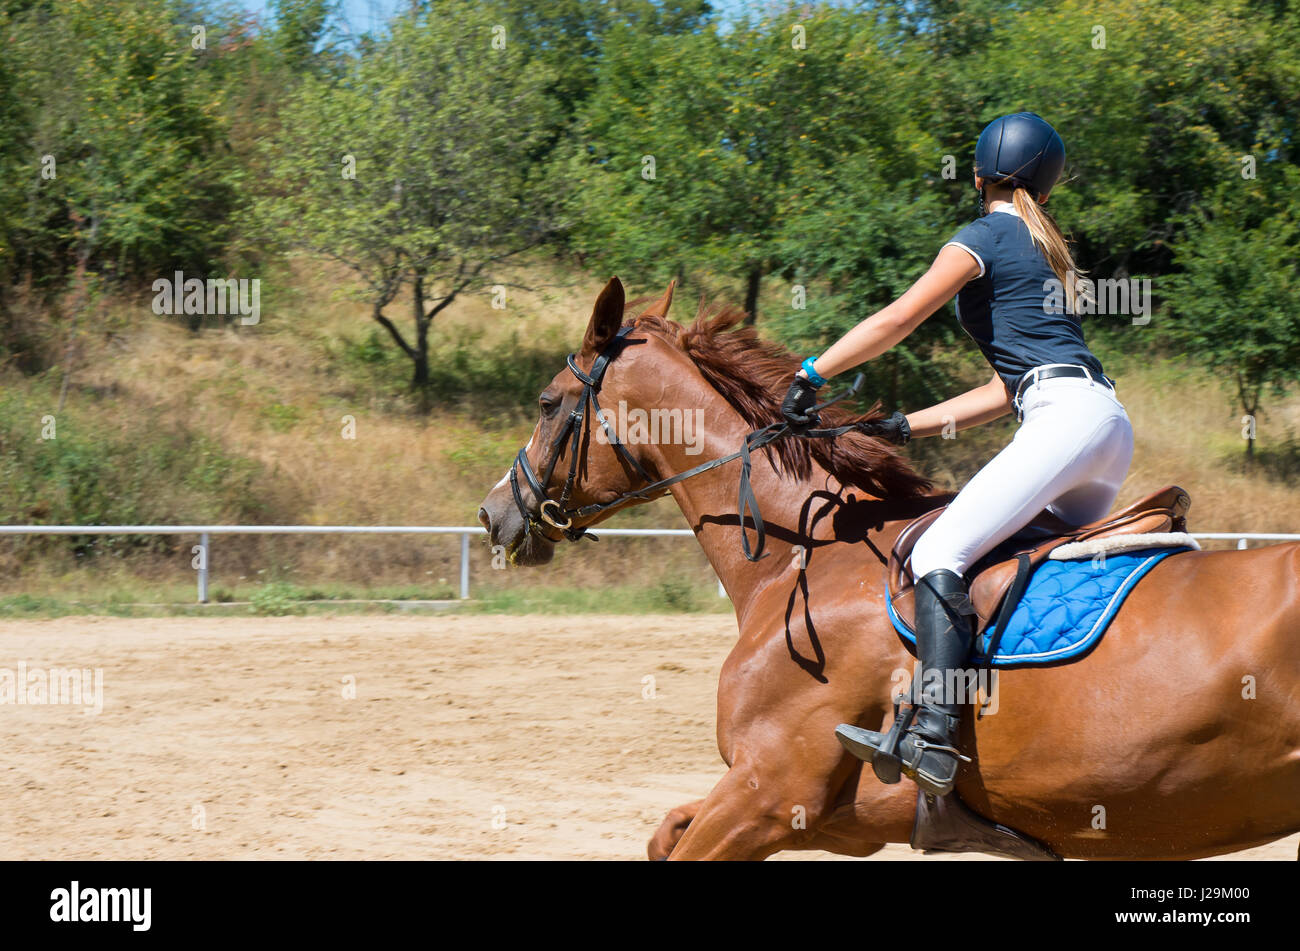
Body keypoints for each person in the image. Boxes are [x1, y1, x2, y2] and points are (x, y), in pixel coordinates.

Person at [779, 112, 1134, 797]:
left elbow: (898, 317)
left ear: (978, 177)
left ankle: (936, 733)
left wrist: (811, 373)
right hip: (1103, 425)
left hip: (1061, 421)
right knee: (1022, 566)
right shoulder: (1044, 250)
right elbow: (1007, 390)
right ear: (1047, 186)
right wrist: (907, 424)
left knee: (938, 553)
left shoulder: (982, 235)